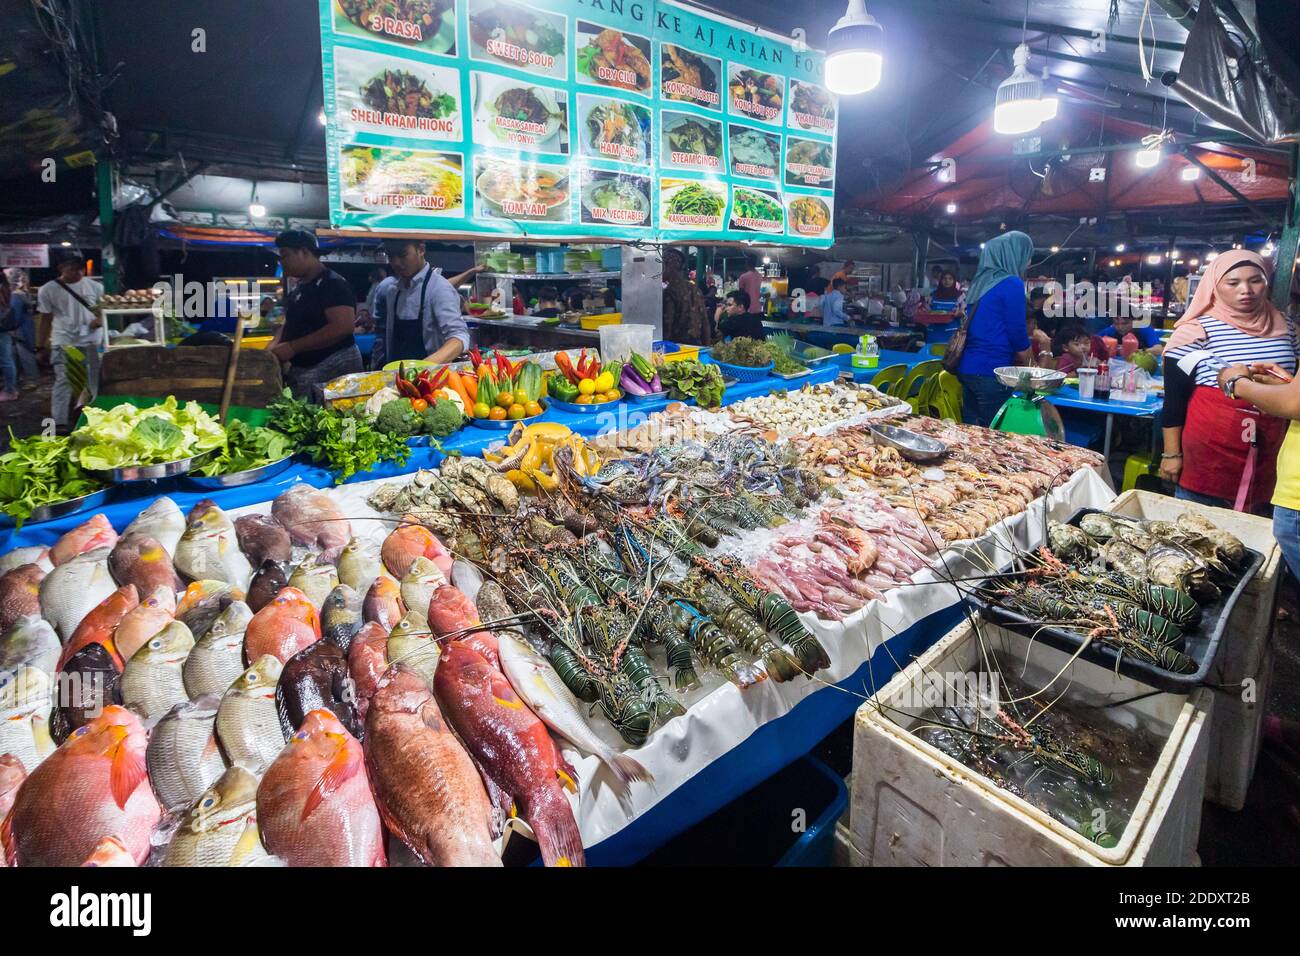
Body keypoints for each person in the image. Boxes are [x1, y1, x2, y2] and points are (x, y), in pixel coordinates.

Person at [1160, 250, 1297, 511]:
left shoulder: (1287, 328)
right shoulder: (1194, 330)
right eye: (1233, 283)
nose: (1246, 290)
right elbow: (1174, 400)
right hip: (1210, 447)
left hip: (1272, 447)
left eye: (1255, 280)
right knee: (1199, 523)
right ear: (1215, 285)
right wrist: (1171, 454)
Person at [954, 231, 1035, 427]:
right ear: (1014, 254)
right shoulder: (1011, 283)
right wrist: (1034, 370)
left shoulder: (980, 283)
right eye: (1027, 255)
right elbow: (1017, 333)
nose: (1029, 262)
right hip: (992, 371)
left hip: (968, 369)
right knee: (993, 439)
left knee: (971, 435)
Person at [269, 229, 362, 400]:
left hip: (331, 367)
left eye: (285, 255)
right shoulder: (301, 287)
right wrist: (273, 347)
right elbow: (290, 322)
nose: (282, 262)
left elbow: (343, 326)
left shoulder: (332, 284)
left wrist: (292, 347)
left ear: (304, 252)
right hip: (304, 369)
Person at [375, 239, 471, 367]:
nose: (396, 262)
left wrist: (422, 368)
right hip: (395, 375)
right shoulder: (393, 291)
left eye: (403, 255)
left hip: (429, 379)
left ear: (421, 250)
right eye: (391, 256)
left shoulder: (439, 288)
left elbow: (459, 337)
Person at [36, 254, 103, 429]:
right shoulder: (48, 290)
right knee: (64, 380)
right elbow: (45, 319)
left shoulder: (95, 287)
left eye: (80, 268)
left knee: (91, 381)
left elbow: (103, 310)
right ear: (61, 269)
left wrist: (100, 320)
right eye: (72, 268)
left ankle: (89, 420)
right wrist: (40, 346)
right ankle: (59, 423)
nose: (77, 272)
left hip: (91, 342)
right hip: (65, 343)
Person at [662, 249, 710, 345]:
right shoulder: (694, 288)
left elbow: (667, 326)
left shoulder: (670, 291)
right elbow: (705, 321)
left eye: (662, 266)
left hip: (677, 348)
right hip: (697, 346)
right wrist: (707, 346)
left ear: (670, 266)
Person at [1097, 313, 1164, 361]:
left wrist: (1136, 351)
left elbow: (1159, 349)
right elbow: (1093, 342)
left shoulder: (1144, 328)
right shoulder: (1112, 330)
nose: (1120, 327)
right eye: (1116, 323)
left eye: (1125, 323)